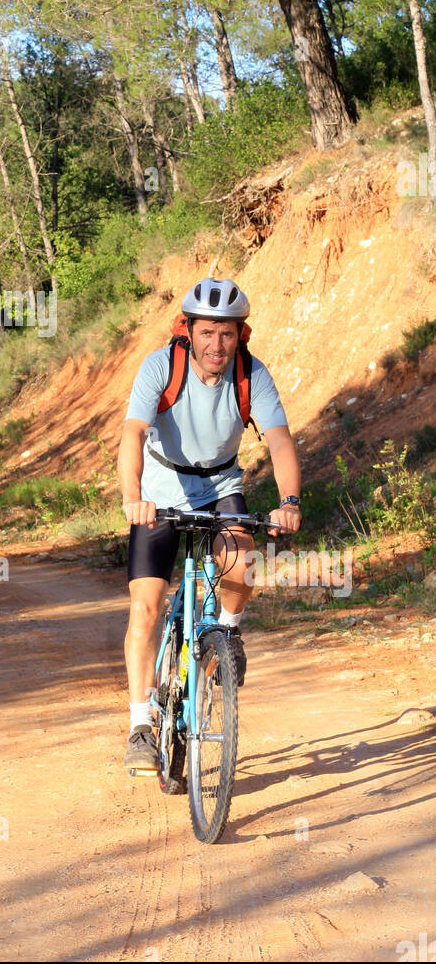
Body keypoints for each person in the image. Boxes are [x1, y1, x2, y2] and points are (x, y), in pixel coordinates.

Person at [117, 277, 302, 773]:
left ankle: (228, 630)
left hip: (219, 485)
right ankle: (140, 724)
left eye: (227, 334)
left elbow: (280, 439)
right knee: (147, 608)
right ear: (188, 330)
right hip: (159, 491)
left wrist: (289, 500)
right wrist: (133, 498)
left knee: (242, 563)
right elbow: (133, 433)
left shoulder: (252, 374)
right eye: (206, 333)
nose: (216, 345)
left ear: (240, 335)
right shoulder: (161, 366)